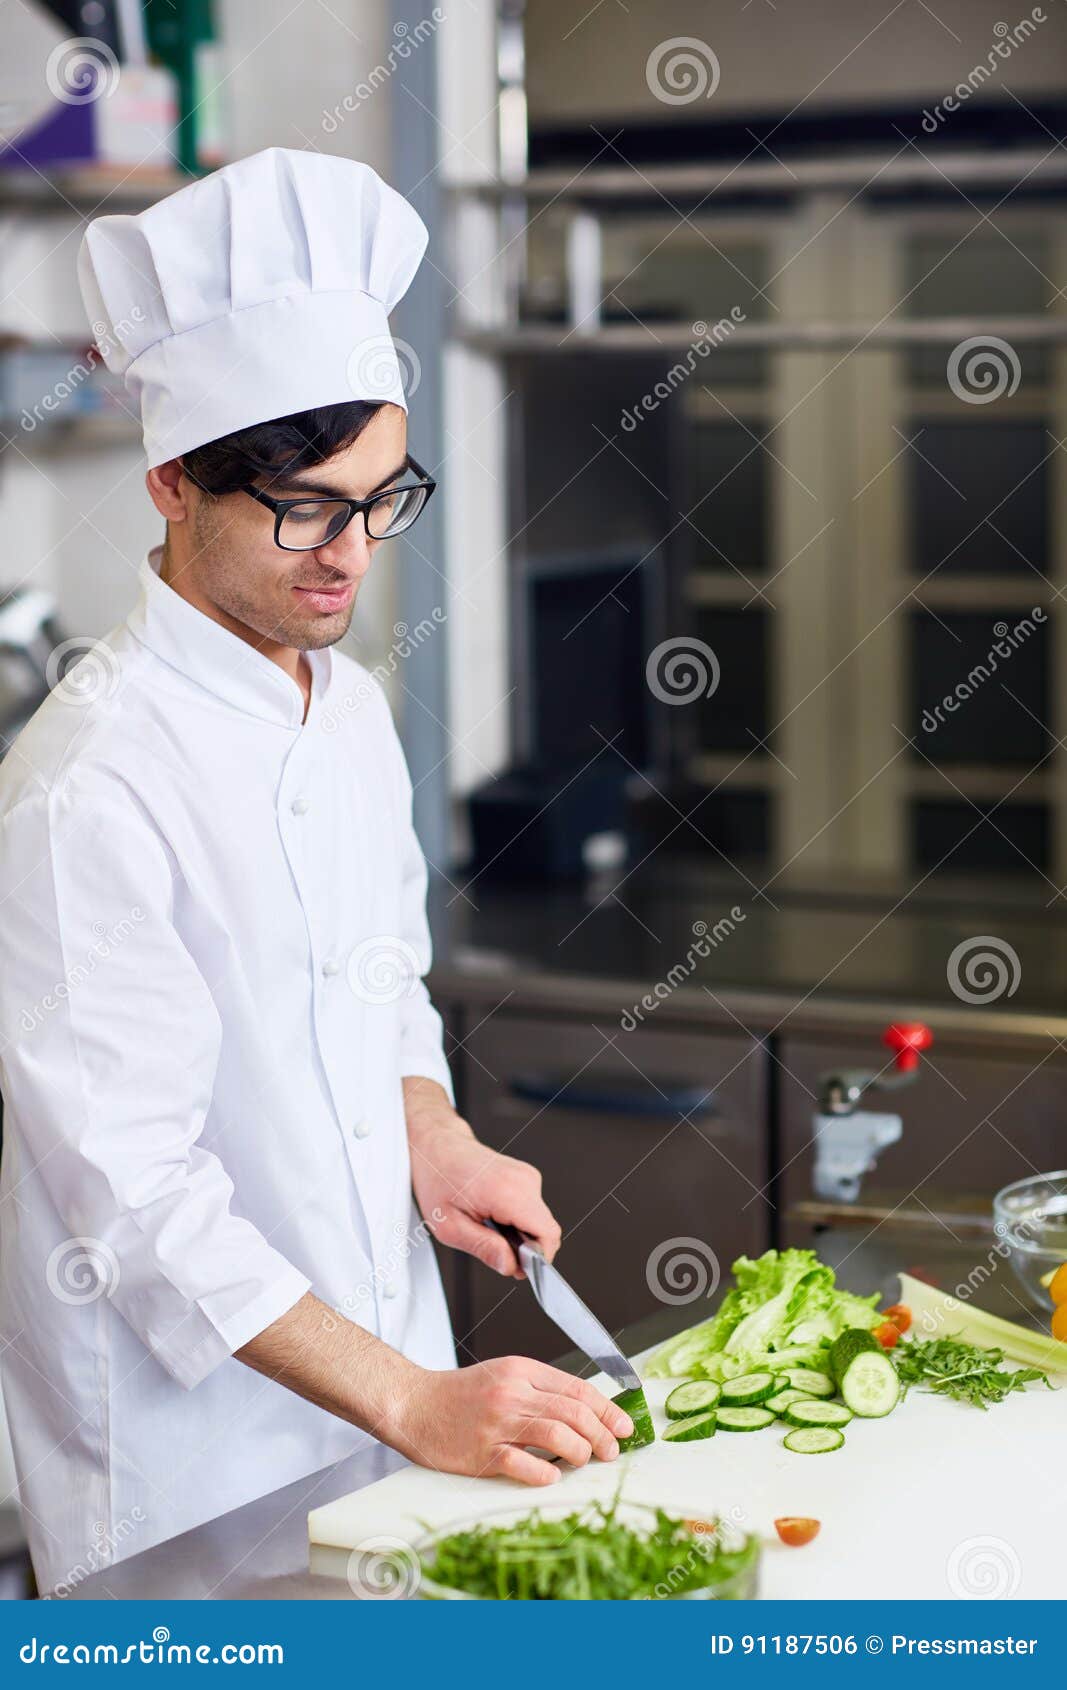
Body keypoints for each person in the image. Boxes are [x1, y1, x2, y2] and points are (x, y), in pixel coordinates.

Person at [0, 148, 630, 1595]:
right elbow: (141, 1201)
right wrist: (413, 1395)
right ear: (171, 479)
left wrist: (435, 1135)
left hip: (386, 1396)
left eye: (380, 495)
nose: (351, 554)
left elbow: (379, 984)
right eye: (305, 509)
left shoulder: (342, 705)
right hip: (186, 1475)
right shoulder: (87, 788)